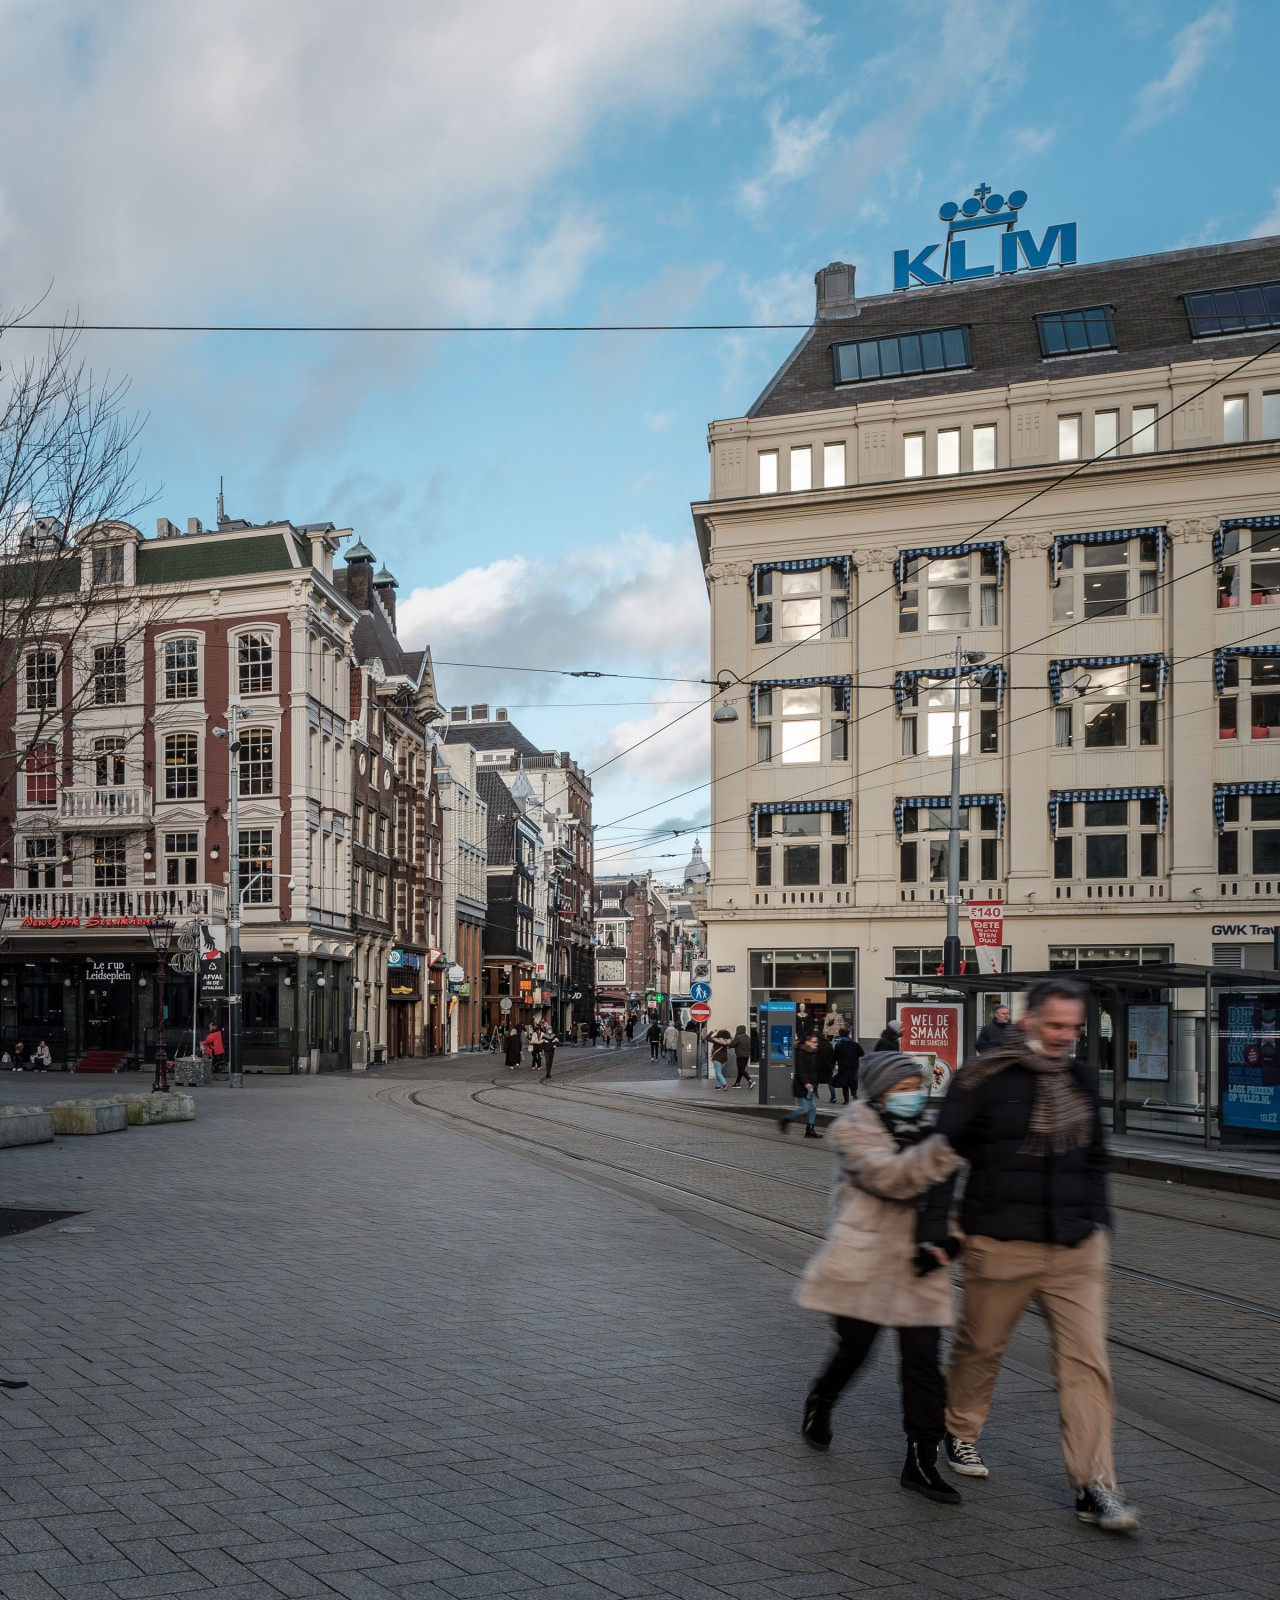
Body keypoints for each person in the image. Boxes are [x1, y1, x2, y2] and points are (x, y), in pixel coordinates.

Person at [925, 976, 1139, 1532]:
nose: (1066, 1036)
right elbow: (944, 1157)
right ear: (1028, 1021)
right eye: (1056, 1025)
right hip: (1000, 1241)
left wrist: (1098, 1221)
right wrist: (940, 1231)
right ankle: (960, 1430)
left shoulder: (1082, 1079)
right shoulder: (981, 1080)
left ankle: (1095, 1486)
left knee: (1087, 1364)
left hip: (1074, 1247)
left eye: (1075, 1027)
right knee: (981, 1347)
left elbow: (1095, 1158)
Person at [797, 1052, 963, 1503]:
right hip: (866, 1263)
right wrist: (946, 1148)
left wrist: (950, 1241)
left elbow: (947, 1203)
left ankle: (921, 1460)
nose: (914, 1094)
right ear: (881, 1091)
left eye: (918, 1085)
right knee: (855, 1351)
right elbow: (890, 1179)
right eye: (903, 1087)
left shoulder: (930, 1133)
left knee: (924, 1364)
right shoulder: (854, 1130)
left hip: (920, 1265)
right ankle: (822, 1401)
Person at [778, 1035, 822, 1138]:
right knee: (804, 1108)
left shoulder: (812, 1053)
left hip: (811, 1085)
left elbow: (812, 1071)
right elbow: (800, 1070)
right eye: (813, 1042)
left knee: (813, 1107)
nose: (816, 1044)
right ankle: (785, 1120)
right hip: (802, 1085)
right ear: (807, 1042)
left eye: (816, 1042)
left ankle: (810, 1129)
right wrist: (806, 1083)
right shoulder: (801, 1053)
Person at [832, 1028, 863, 1104]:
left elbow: (834, 1056)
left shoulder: (838, 1044)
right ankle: (854, 1095)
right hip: (854, 1066)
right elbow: (862, 1053)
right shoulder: (855, 1044)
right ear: (848, 1034)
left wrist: (833, 1064)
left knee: (844, 1083)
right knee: (853, 1080)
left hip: (843, 1066)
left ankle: (846, 1100)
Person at [730, 1024, 754, 1089]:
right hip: (747, 1055)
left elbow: (732, 1045)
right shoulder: (747, 1036)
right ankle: (737, 1083)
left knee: (741, 1070)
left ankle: (750, 1080)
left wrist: (728, 1045)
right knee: (741, 1070)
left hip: (740, 1055)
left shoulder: (738, 1037)